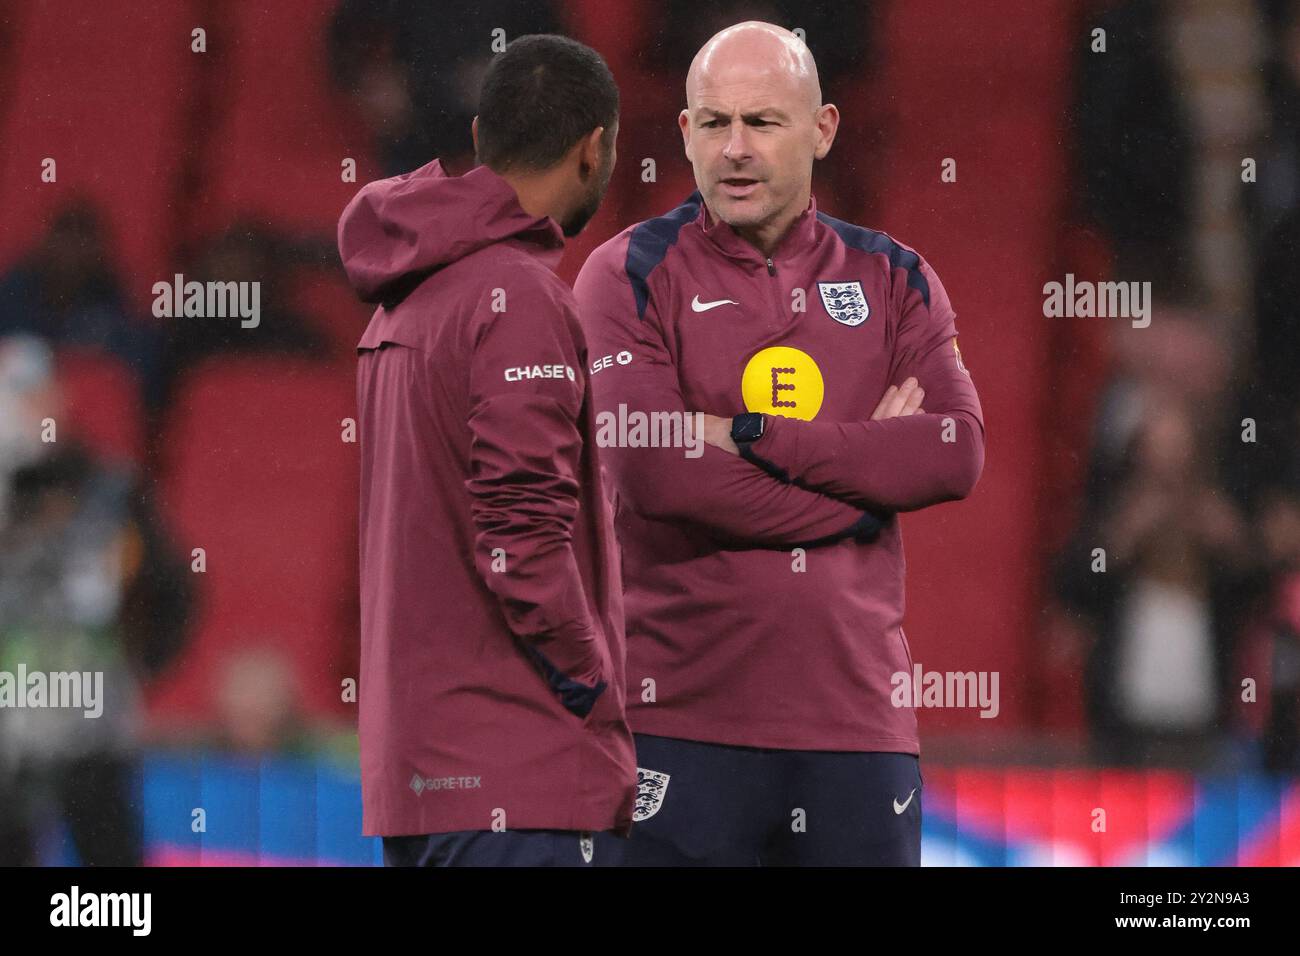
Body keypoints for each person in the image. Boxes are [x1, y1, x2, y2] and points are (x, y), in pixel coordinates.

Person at [574, 21, 985, 865]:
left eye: (762, 122)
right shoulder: (625, 274)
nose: (735, 149)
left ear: (823, 129)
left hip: (856, 732)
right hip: (675, 720)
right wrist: (866, 475)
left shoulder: (894, 277)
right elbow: (656, 473)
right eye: (714, 123)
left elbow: (952, 452)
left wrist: (749, 436)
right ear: (684, 133)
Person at [340, 34, 634, 867]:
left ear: (478, 136)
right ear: (594, 148)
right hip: (518, 775)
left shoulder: (405, 294)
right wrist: (594, 682)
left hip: (421, 778)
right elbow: (522, 536)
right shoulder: (520, 298)